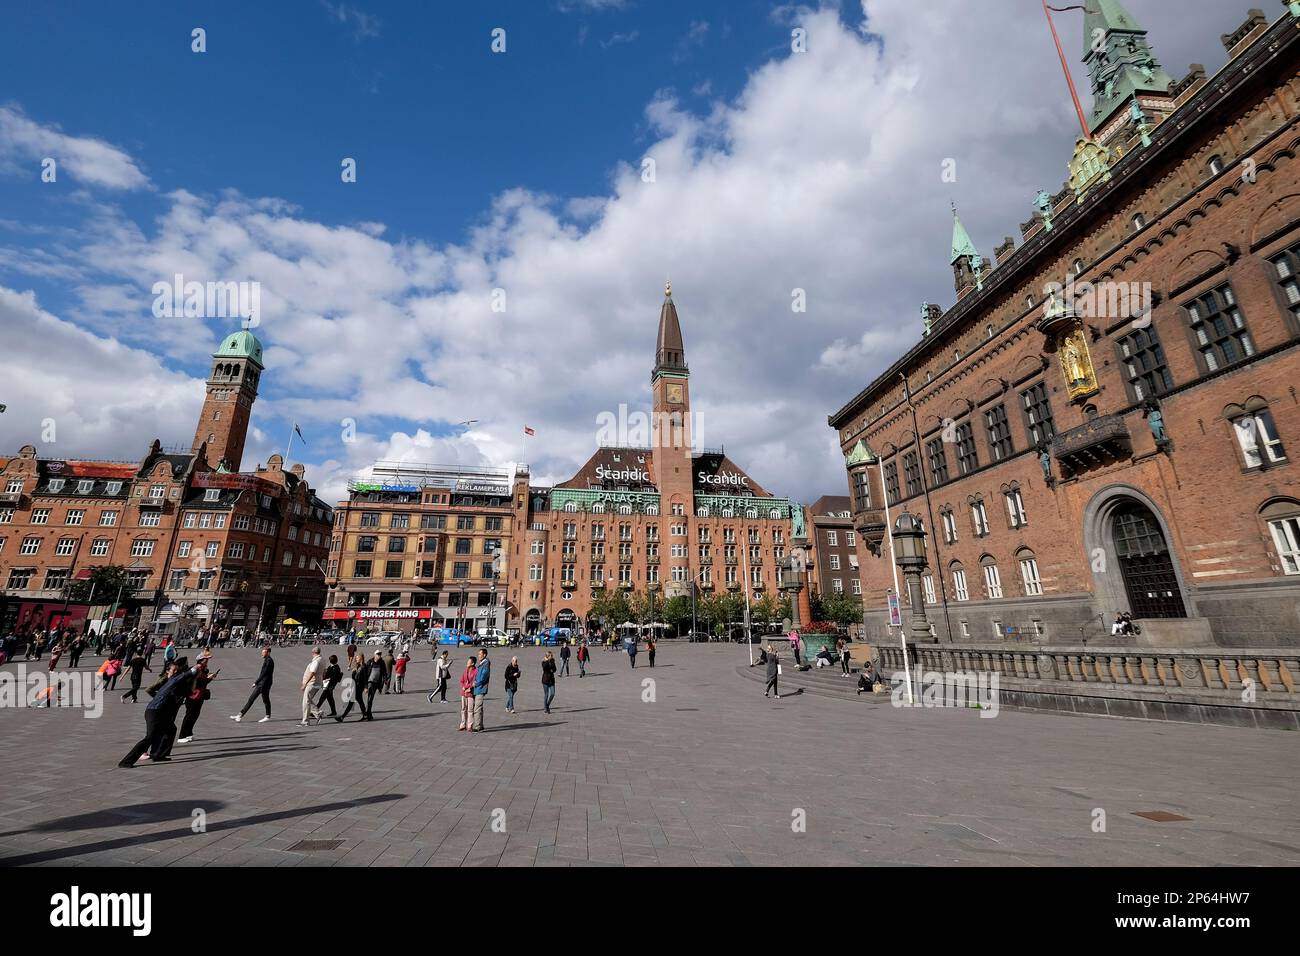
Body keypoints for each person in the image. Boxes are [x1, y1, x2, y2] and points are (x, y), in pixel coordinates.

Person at [119, 662, 200, 768]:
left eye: (177, 671)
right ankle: (126, 762)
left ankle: (159, 755)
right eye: (173, 670)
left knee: (171, 730)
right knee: (150, 737)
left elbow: (190, 691)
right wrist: (193, 670)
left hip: (161, 713)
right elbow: (181, 677)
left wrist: (195, 677)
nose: (175, 672)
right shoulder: (171, 681)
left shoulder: (178, 684)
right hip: (154, 711)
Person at [177, 653, 219, 742]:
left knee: (194, 716)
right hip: (193, 697)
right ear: (200, 660)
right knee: (189, 716)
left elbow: (202, 681)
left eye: (207, 659)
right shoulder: (196, 669)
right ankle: (182, 736)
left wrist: (210, 678)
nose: (207, 661)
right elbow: (196, 682)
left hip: (199, 696)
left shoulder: (202, 669)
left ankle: (188, 733)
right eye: (205, 659)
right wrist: (208, 678)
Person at [231, 646, 274, 723]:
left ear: (268, 653)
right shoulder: (267, 660)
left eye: (263, 653)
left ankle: (267, 716)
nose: (262, 654)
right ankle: (240, 715)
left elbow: (264, 673)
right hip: (263, 683)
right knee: (257, 699)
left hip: (264, 684)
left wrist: (256, 682)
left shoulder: (269, 661)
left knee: (260, 699)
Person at [339, 648, 370, 721]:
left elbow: (366, 678)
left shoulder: (364, 667)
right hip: (355, 686)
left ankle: (342, 717)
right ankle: (365, 715)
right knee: (359, 701)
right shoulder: (357, 666)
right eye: (356, 658)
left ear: (361, 658)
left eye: (358, 658)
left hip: (359, 686)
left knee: (352, 702)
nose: (356, 659)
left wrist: (366, 687)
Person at [300, 647, 324, 726]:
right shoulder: (322, 660)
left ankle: (305, 721)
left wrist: (305, 684)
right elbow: (324, 671)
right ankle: (318, 713)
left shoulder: (316, 661)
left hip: (312, 683)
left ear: (313, 653)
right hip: (318, 683)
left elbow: (312, 672)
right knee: (308, 700)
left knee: (306, 702)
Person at [472, 648, 490, 731]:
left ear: (484, 655)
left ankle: (477, 727)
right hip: (478, 688)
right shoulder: (482, 663)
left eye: (480, 654)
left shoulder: (485, 664)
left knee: (477, 708)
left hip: (481, 688)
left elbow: (484, 676)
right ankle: (481, 725)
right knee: (479, 708)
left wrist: (477, 683)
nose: (478, 655)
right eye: (478, 654)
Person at [363, 650, 385, 719]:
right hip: (370, 682)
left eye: (380, 654)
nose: (379, 655)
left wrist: (381, 686)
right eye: (378, 654)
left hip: (376, 683)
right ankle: (368, 713)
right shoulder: (370, 662)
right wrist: (365, 686)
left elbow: (384, 673)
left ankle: (368, 713)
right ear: (374, 655)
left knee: (371, 698)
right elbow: (365, 674)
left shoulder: (382, 662)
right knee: (370, 698)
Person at [458, 657, 477, 731]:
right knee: (463, 709)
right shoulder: (465, 671)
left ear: (472, 663)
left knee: (470, 710)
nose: (467, 662)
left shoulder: (475, 671)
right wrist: (463, 687)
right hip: (464, 692)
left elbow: (474, 683)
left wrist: (466, 687)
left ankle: (470, 725)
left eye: (469, 661)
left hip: (470, 693)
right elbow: (461, 680)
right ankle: (463, 724)